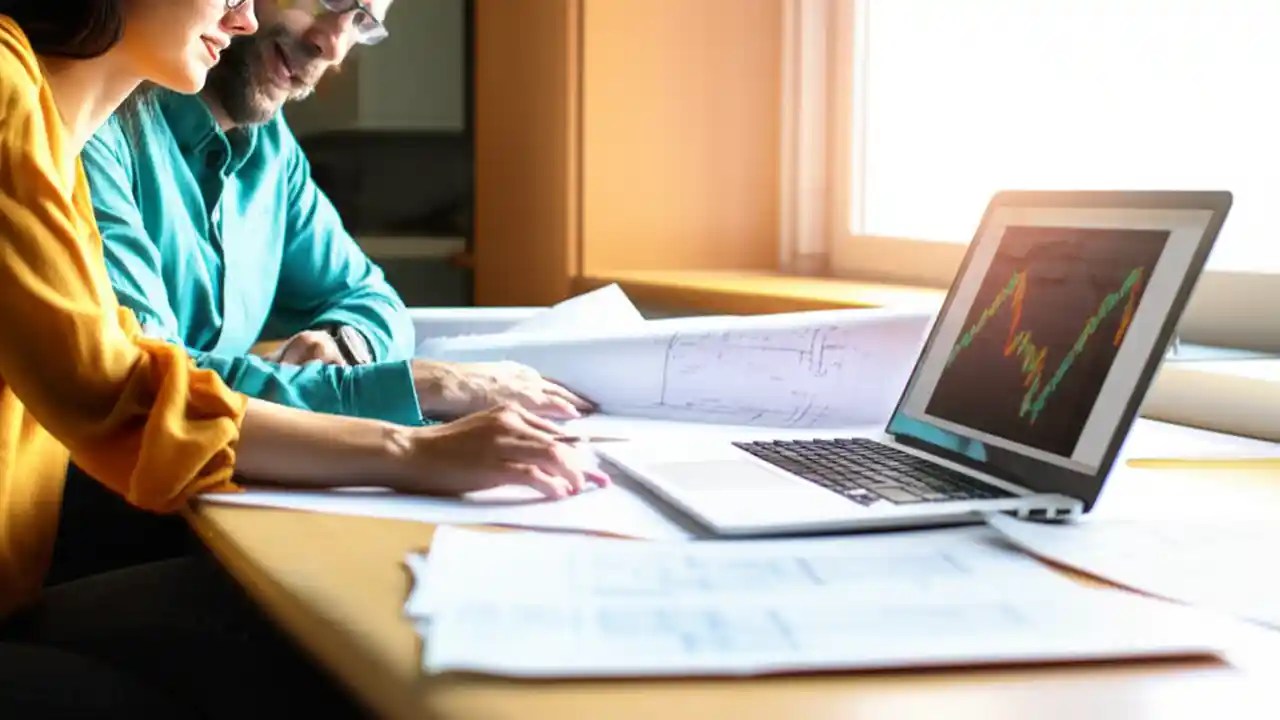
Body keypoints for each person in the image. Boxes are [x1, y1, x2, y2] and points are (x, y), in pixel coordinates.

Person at [0, 1, 605, 714]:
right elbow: (127, 385)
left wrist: (372, 386)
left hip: (24, 576)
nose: (245, 16)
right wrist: (406, 445)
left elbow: (360, 299)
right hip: (62, 549)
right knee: (327, 652)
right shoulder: (28, 102)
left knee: (336, 626)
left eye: (362, 23)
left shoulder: (58, 123)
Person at [84, 0, 529, 429]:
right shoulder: (93, 123)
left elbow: (374, 299)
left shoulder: (272, 152)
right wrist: (402, 388)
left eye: (361, 22)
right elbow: (145, 380)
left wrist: (345, 346)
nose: (334, 46)